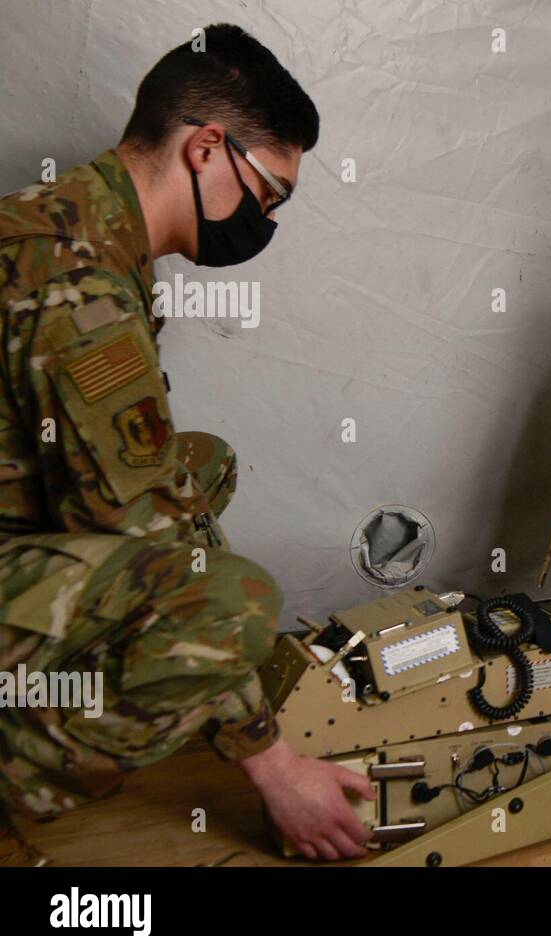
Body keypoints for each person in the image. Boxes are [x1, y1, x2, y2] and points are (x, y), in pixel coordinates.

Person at [0, 24, 373, 865]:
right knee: (231, 603)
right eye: (269, 193)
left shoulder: (78, 226)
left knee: (201, 464)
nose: (265, 221)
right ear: (208, 147)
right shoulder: (80, 278)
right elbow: (151, 529)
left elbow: (157, 482)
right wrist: (275, 763)